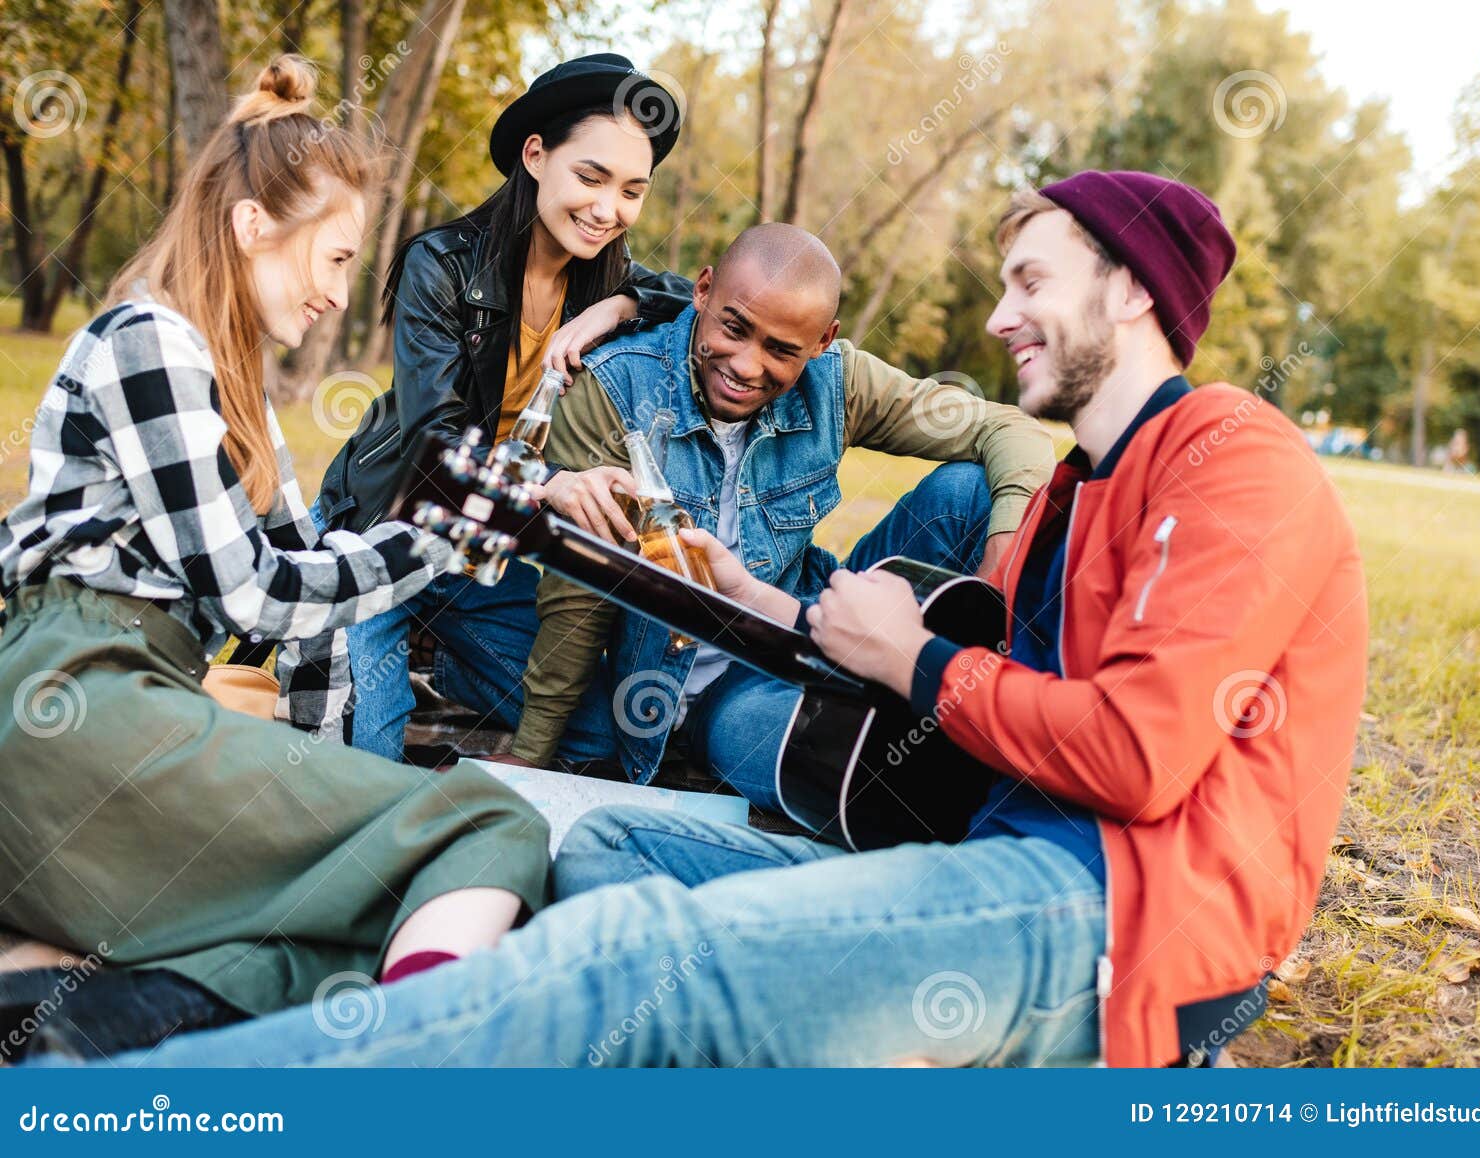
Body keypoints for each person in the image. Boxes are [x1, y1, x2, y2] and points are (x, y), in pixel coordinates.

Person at [77, 170, 1367, 1069]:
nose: (997, 316)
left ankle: (136, 1094)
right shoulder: (1077, 489)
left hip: (1120, 924)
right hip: (987, 851)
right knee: (604, 850)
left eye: (1030, 280)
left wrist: (916, 658)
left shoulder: (1233, 457)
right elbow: (987, 718)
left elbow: (1138, 754)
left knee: (632, 951)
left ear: (1132, 291)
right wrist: (768, 605)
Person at [0, 58, 549, 1061]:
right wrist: (434, 538)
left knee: (336, 920)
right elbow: (257, 593)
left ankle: (54, 1019)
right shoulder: (148, 342)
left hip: (127, 705)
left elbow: (311, 603)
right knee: (487, 824)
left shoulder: (232, 392)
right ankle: (413, 1067)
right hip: (72, 703)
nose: (341, 295)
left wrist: (320, 776)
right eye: (335, 259)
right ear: (253, 226)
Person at [495, 221, 1057, 804]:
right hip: (710, 688)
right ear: (703, 290)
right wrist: (531, 753)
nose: (745, 365)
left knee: (969, 491)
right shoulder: (616, 387)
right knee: (833, 761)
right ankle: (931, 718)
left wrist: (1001, 562)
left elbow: (1009, 429)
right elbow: (579, 590)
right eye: (734, 329)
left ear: (821, 341)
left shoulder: (838, 382)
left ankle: (979, 688)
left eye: (781, 350)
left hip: (808, 619)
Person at [314, 53, 695, 761]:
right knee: (370, 752)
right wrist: (549, 485)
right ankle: (411, 649)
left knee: (594, 734)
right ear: (536, 155)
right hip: (388, 529)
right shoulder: (443, 263)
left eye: (632, 191)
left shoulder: (604, 281)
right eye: (591, 177)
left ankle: (450, 656)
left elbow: (703, 302)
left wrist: (619, 305)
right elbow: (437, 444)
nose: (608, 210)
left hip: (481, 552)